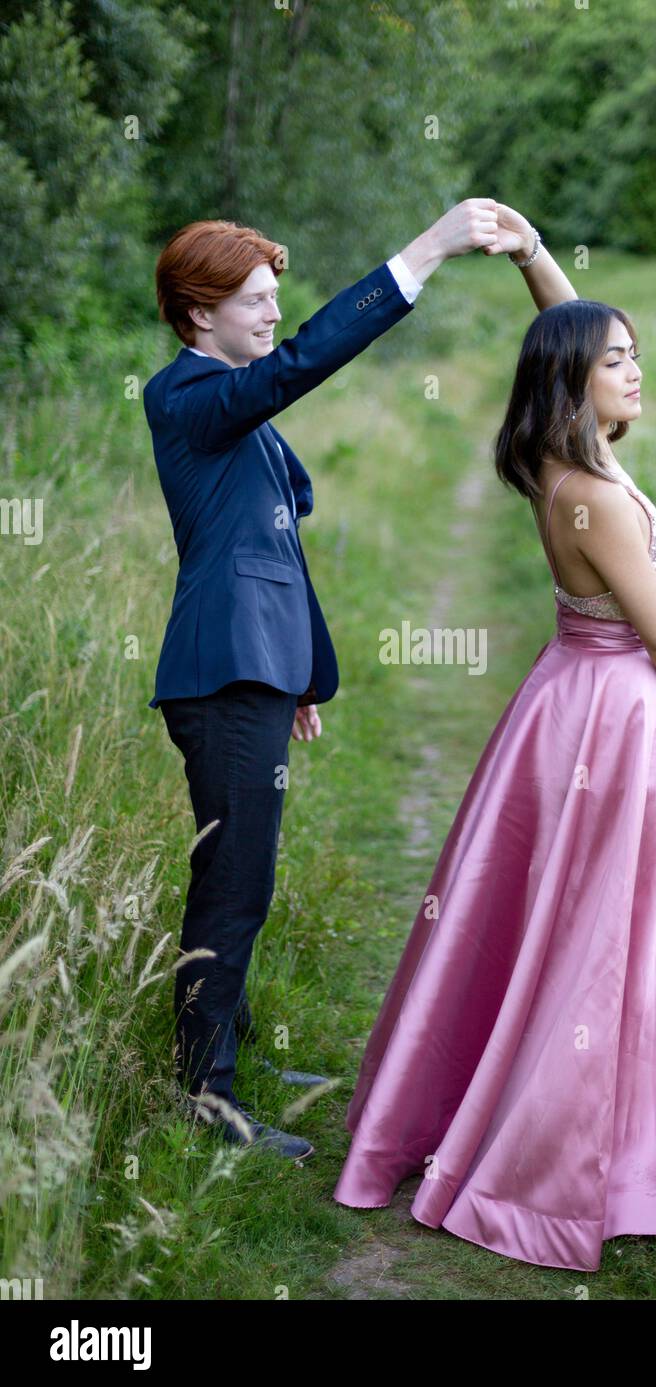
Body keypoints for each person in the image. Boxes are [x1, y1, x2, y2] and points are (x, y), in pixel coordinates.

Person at [332, 203, 656, 1270]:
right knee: (606, 935)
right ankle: (572, 1149)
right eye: (615, 360)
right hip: (617, 714)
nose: (633, 370)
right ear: (576, 381)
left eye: (634, 353)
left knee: (548, 917)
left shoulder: (553, 460)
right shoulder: (596, 499)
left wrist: (534, 257)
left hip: (559, 705)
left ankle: (553, 1114)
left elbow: (561, 337)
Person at [144, 201, 500, 1158]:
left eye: (274, 296)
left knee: (244, 872)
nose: (270, 314)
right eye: (253, 300)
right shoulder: (184, 397)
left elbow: (268, 546)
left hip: (252, 669)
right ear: (196, 315)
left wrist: (296, 669)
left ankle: (236, 1058)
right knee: (234, 880)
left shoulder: (230, 408)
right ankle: (207, 1103)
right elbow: (303, 362)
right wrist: (427, 251)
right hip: (217, 674)